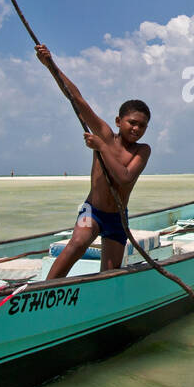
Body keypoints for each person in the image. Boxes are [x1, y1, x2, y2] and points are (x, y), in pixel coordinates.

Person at [35, 43, 151, 278]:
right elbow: (77, 99)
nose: (136, 129)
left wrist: (100, 148)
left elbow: (124, 177)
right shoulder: (105, 133)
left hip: (118, 217)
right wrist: (51, 65)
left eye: (142, 125)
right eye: (132, 122)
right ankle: (46, 289)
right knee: (78, 242)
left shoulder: (142, 151)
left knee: (109, 274)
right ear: (119, 121)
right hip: (93, 210)